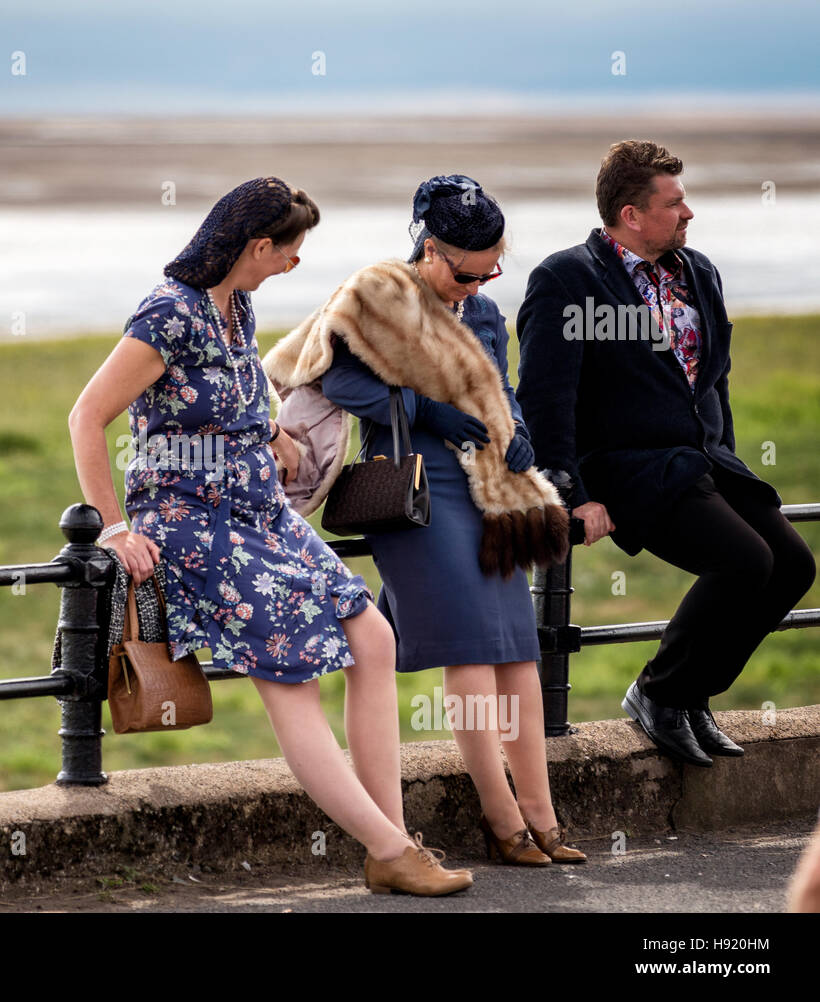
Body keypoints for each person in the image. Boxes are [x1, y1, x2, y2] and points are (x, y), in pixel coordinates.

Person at [68, 176, 472, 895]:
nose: (295, 263)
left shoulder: (238, 306)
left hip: (262, 509)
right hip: (193, 523)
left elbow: (236, 391)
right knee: (293, 677)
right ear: (258, 245)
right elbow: (86, 417)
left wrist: (271, 430)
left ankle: (390, 843)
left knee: (372, 638)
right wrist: (116, 529)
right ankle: (391, 850)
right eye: (289, 251)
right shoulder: (168, 315)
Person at [267, 175, 584, 866]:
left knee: (518, 651)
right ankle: (503, 822)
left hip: (486, 487)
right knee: (471, 649)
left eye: (489, 271)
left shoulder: (487, 313)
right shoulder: (378, 297)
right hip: (412, 487)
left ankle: (542, 815)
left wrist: (518, 425)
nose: (475, 285)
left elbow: (500, 385)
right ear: (430, 248)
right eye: (466, 272)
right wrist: (425, 410)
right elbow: (334, 379)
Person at [516, 140, 816, 768]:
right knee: (743, 561)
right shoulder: (568, 278)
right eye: (675, 202)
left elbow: (715, 380)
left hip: (703, 460)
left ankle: (689, 694)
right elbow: (547, 398)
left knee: (791, 565)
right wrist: (572, 493)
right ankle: (658, 693)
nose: (689, 213)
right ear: (631, 214)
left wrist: (728, 459)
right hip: (630, 470)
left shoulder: (697, 271)